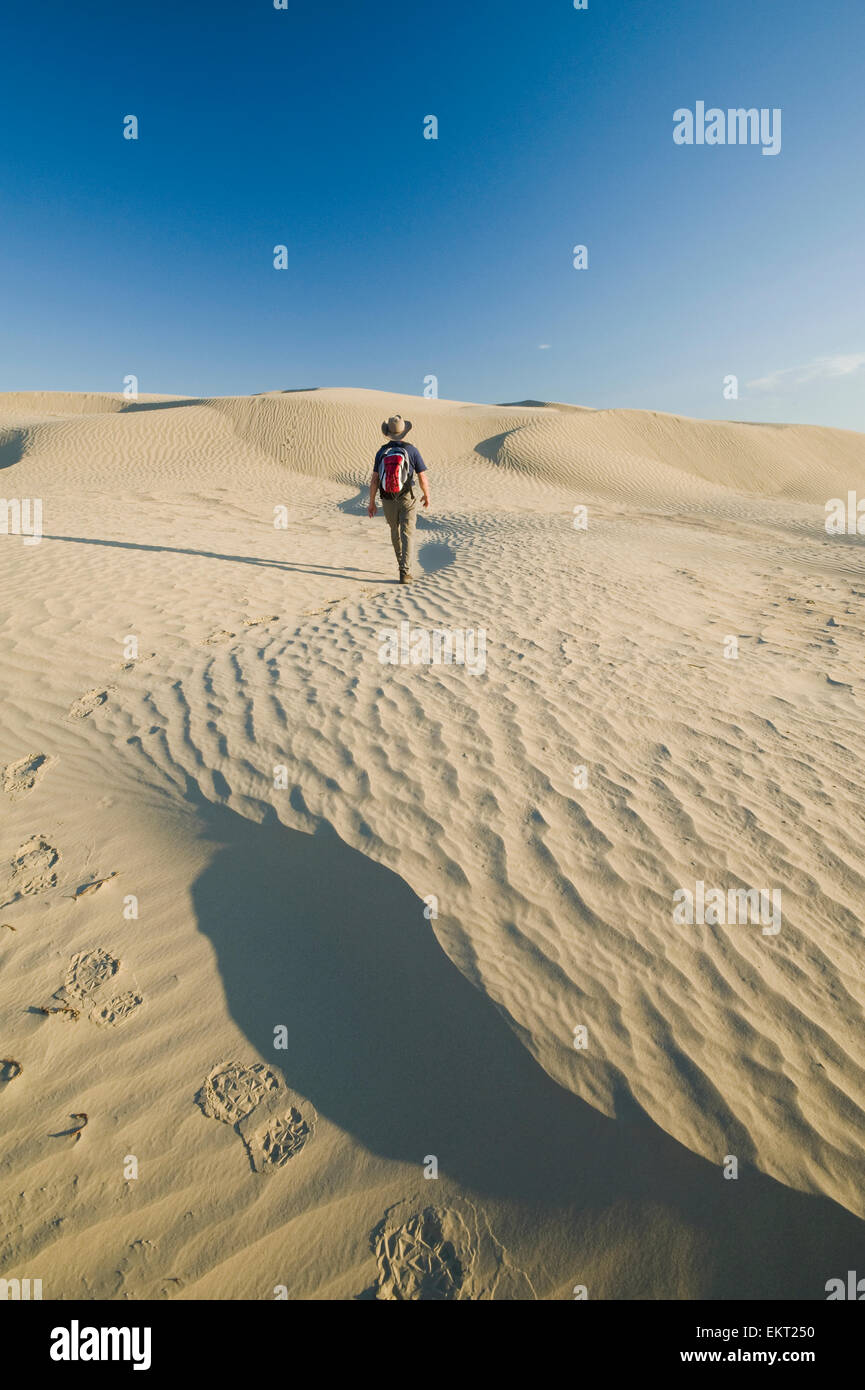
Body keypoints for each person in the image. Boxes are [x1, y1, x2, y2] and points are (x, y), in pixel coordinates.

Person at [367, 414, 430, 583]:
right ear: (404, 433)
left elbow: (374, 480)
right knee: (407, 533)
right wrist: (426, 494)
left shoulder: (382, 451)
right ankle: (405, 571)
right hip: (407, 498)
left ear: (388, 433)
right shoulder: (411, 450)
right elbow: (422, 477)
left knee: (395, 531)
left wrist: (372, 502)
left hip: (387, 498)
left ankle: (401, 565)